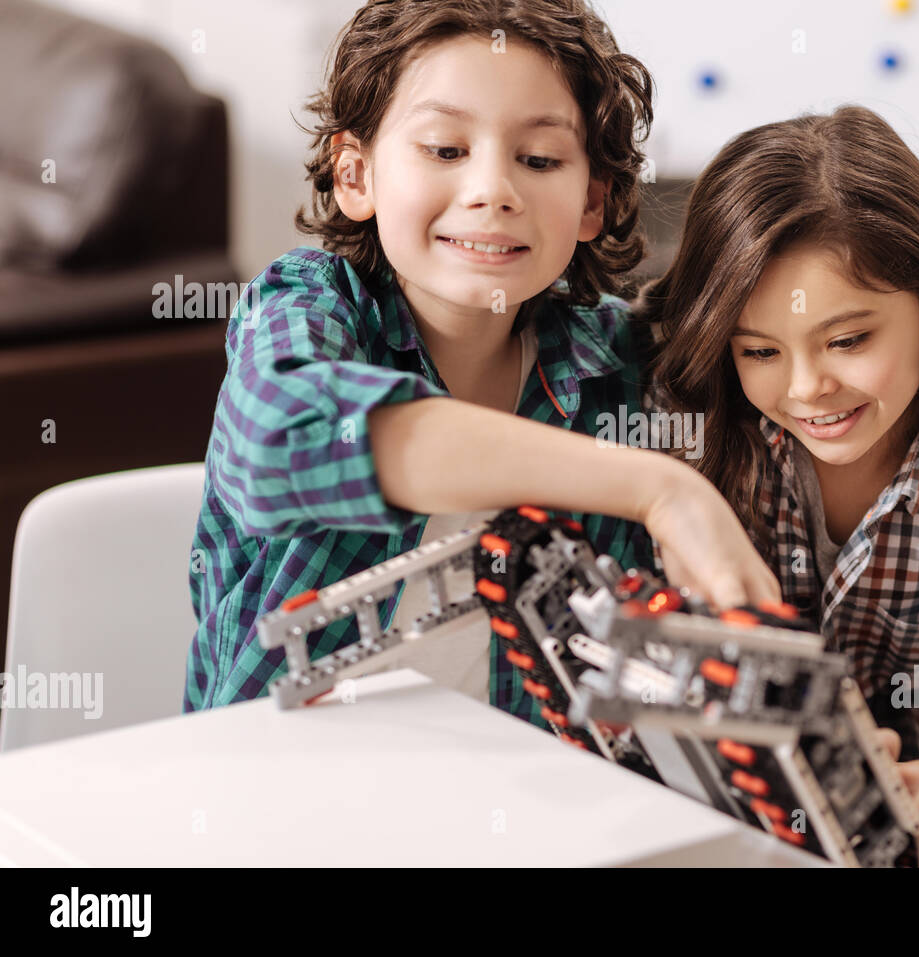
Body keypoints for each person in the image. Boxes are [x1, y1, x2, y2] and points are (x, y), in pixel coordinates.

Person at [185, 0, 778, 723]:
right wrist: (659, 489)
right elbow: (286, 439)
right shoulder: (304, 309)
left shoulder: (625, 362)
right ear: (355, 173)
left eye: (539, 160)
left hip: (533, 810)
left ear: (592, 203)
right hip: (280, 796)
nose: (494, 191)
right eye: (444, 149)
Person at [631, 104, 919, 845]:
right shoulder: (691, 440)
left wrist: (912, 790)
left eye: (847, 339)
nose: (807, 387)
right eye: (759, 352)